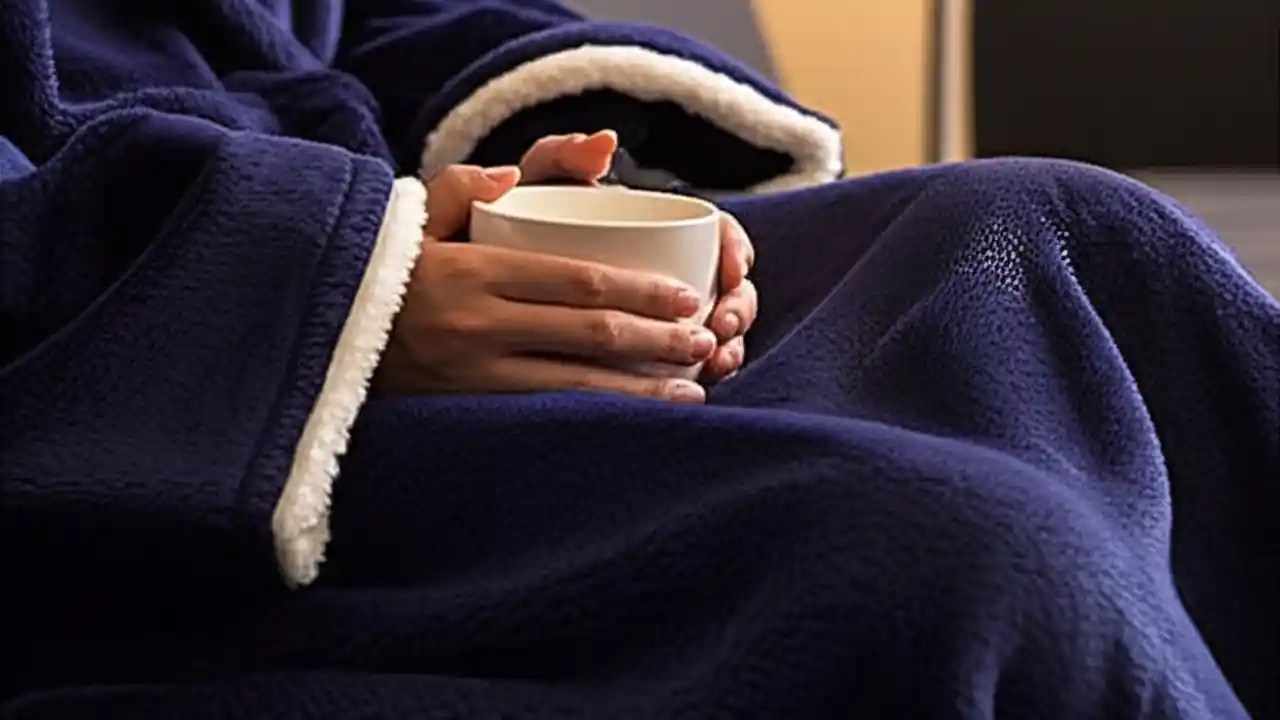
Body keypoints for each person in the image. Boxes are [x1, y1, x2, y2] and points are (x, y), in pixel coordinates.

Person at [2, 1, 1276, 718]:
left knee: (1067, 231)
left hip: (353, 217)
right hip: (158, 391)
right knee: (965, 559)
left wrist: (531, 192)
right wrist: (347, 295)